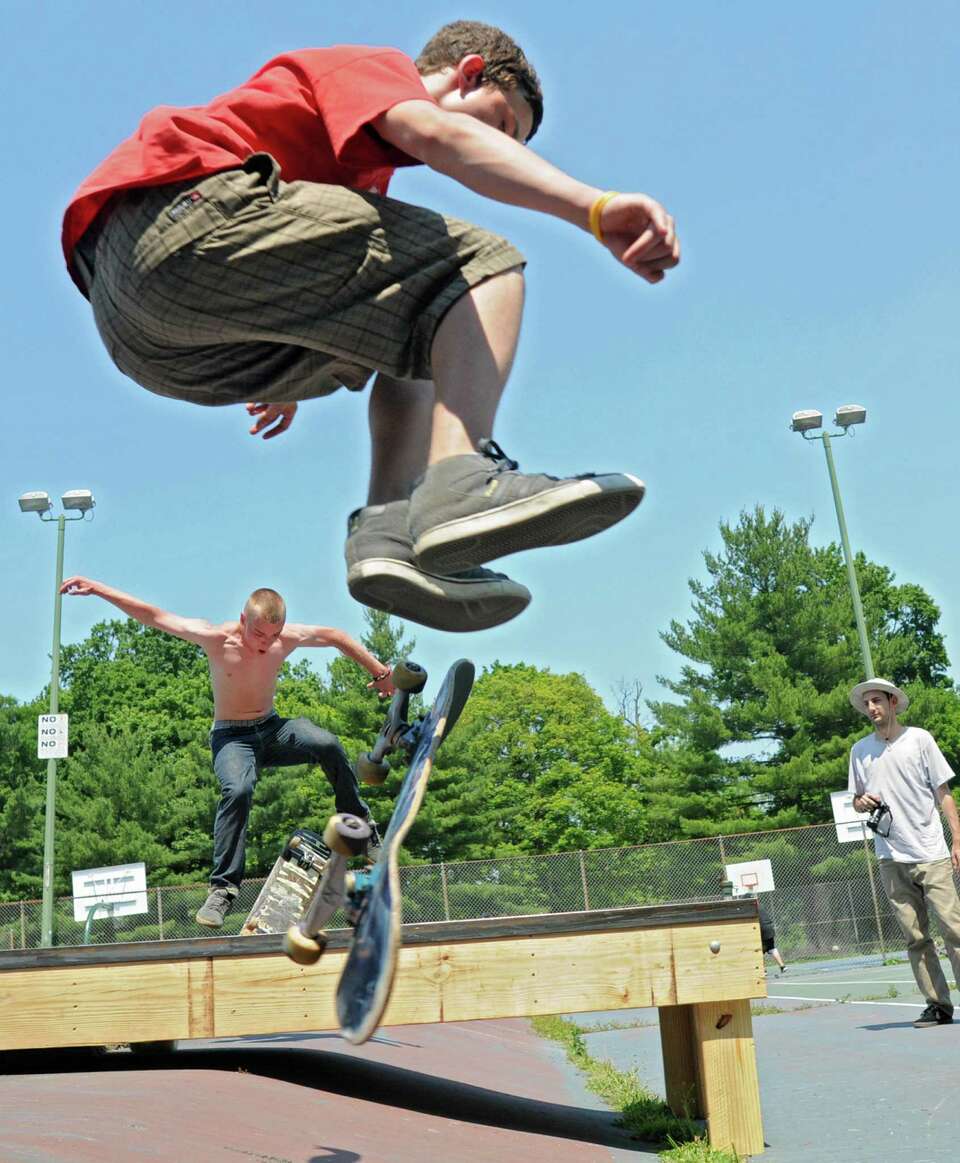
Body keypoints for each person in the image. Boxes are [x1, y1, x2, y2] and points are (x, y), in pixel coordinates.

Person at [61, 21, 680, 635]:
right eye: (500, 127)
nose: (503, 149)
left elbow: (313, 259)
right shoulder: (377, 70)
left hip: (149, 340)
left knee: (424, 333)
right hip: (179, 215)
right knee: (479, 266)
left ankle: (387, 532)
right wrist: (592, 209)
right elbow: (436, 133)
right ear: (468, 73)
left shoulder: (355, 182)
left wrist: (288, 371)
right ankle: (463, 477)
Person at [60, 575, 396, 928]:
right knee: (237, 790)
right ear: (242, 621)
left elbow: (336, 637)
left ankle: (362, 826)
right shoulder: (215, 638)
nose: (266, 644)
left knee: (327, 743)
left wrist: (380, 672)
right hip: (232, 739)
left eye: (274, 636)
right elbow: (154, 616)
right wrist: (98, 589)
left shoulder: (288, 637)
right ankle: (222, 890)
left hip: (273, 728)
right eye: (258, 635)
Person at [849, 677, 960, 1029]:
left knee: (954, 929)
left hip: (931, 852)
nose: (871, 709)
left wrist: (957, 839)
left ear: (893, 702)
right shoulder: (860, 751)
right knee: (915, 937)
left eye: (877, 701)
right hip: (890, 857)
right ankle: (938, 1004)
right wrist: (861, 802)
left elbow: (943, 792)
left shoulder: (920, 739)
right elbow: (855, 800)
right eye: (867, 703)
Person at [757, 895, 787, 973]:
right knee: (772, 948)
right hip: (769, 928)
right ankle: (782, 966)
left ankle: (764, 970)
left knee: (759, 950)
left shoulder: (752, 908)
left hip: (762, 929)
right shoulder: (761, 906)